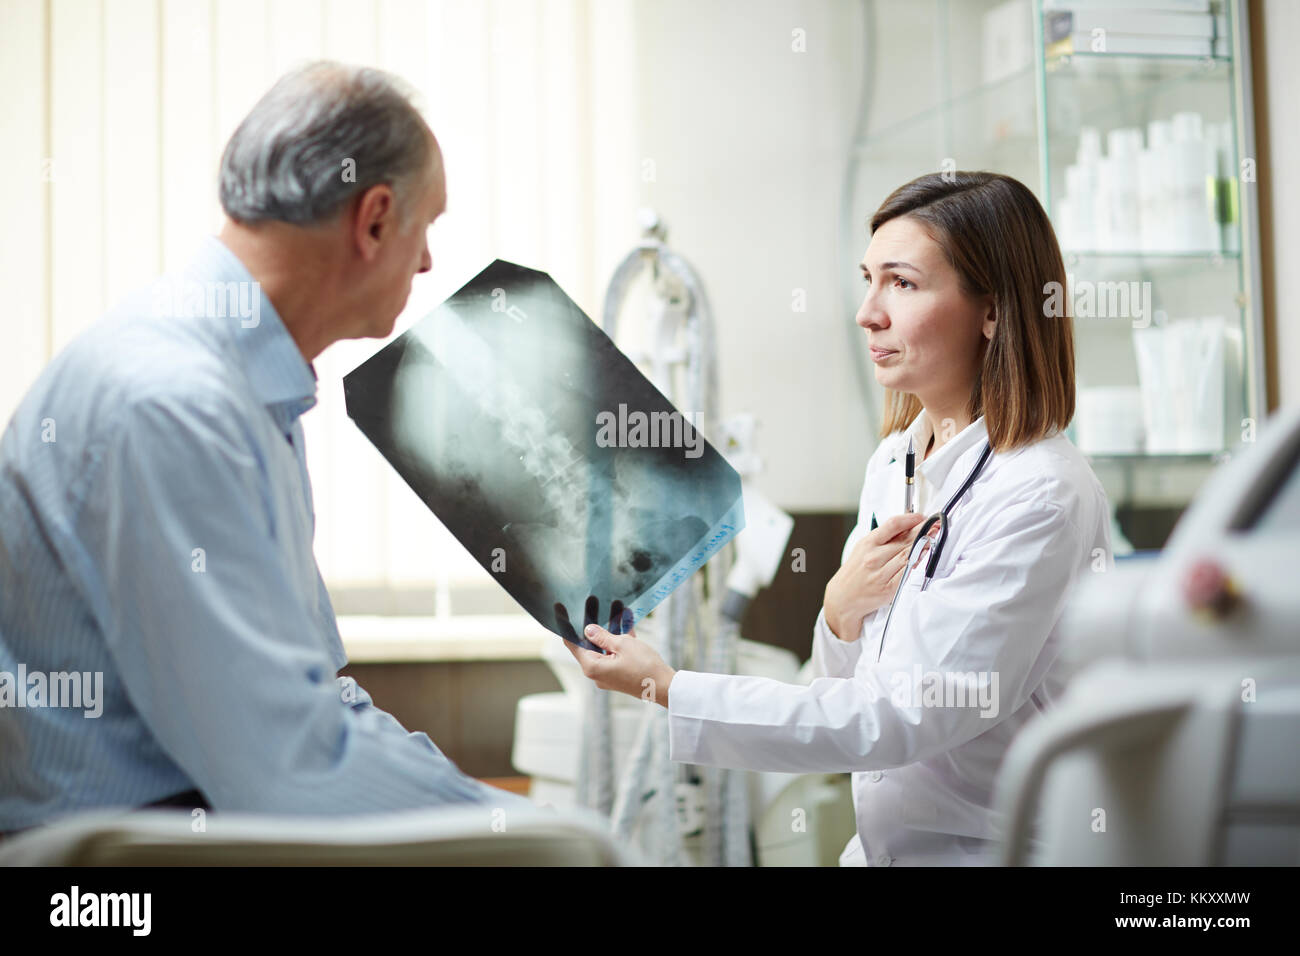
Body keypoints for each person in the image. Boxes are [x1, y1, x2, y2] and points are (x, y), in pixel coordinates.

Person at [0, 61, 529, 837]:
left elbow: (318, 709)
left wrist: (509, 817)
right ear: (375, 219)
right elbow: (291, 769)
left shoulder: (246, 392)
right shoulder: (173, 404)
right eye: (427, 229)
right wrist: (544, 838)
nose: (426, 264)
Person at [566, 171, 1113, 866]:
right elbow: (842, 689)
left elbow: (898, 717)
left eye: (903, 283)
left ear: (995, 311)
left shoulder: (1041, 494)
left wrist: (669, 687)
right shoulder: (895, 463)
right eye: (868, 279)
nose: (868, 313)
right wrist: (837, 612)